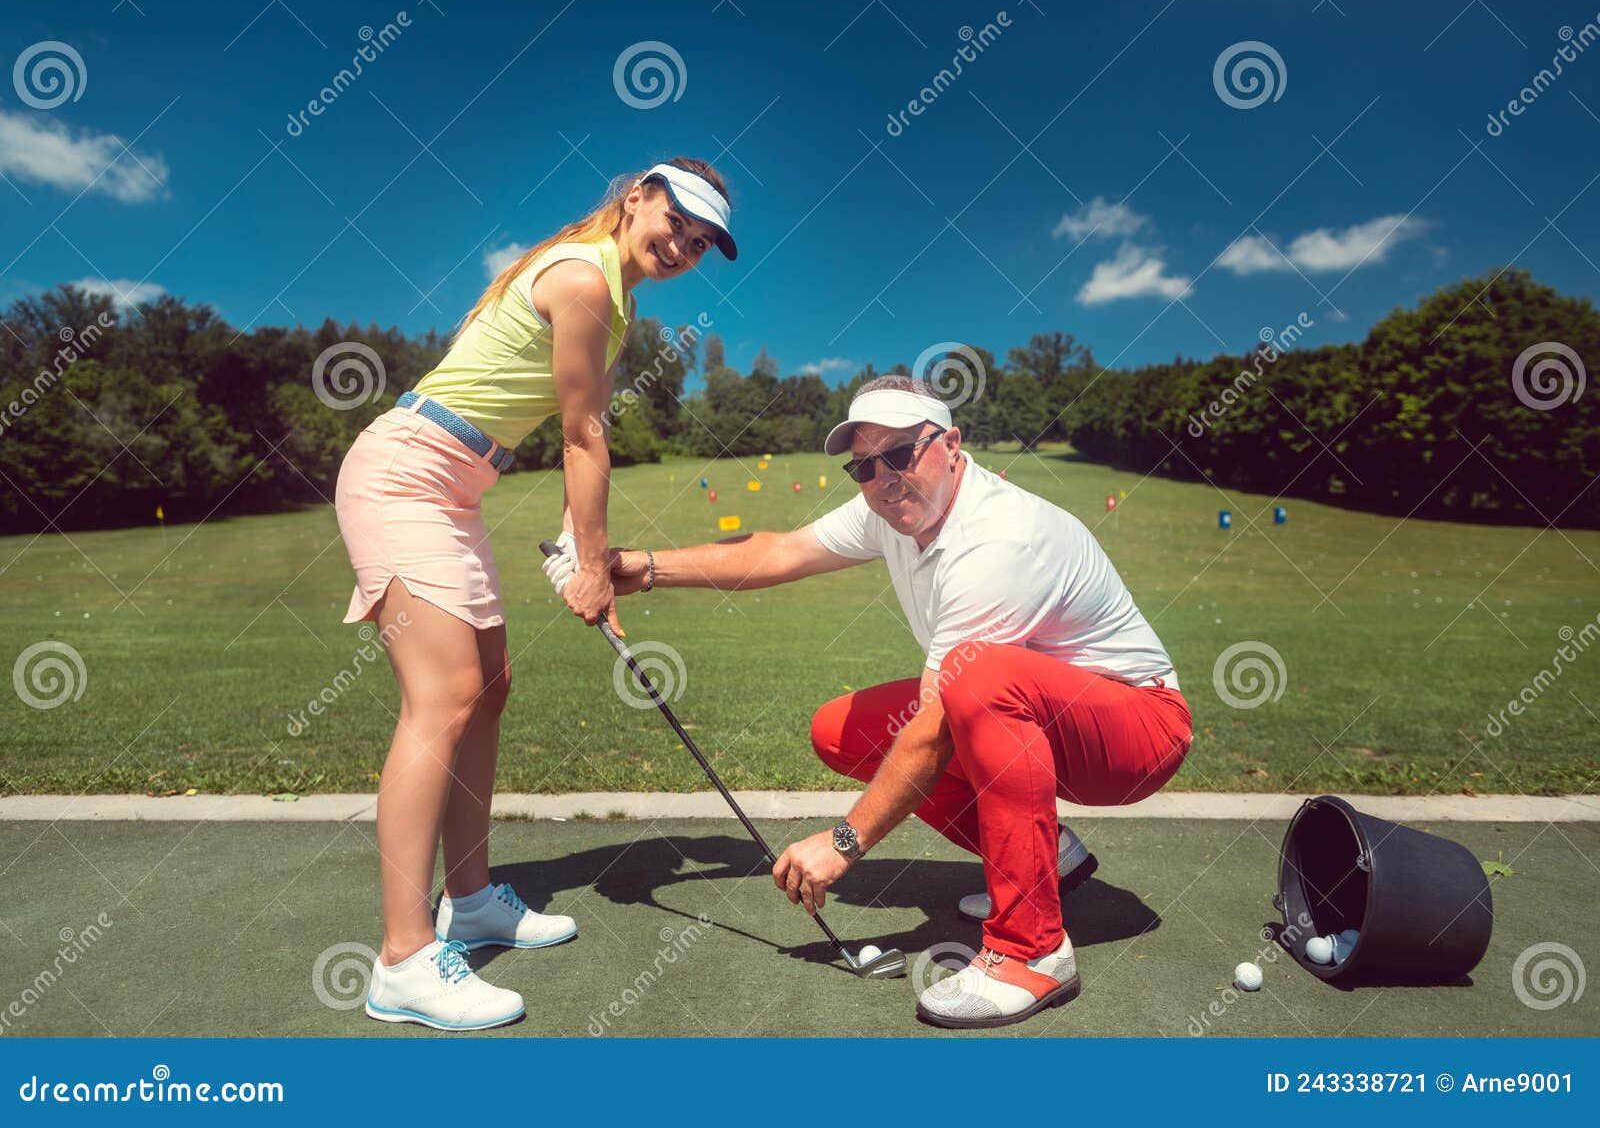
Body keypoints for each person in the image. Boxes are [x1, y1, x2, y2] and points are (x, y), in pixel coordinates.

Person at [546, 375, 1190, 1029]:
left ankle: (1034, 949)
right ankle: (1045, 856)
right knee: (842, 730)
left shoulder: (998, 539)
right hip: (1041, 715)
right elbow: (782, 551)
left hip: (1137, 732)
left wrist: (844, 842)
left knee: (977, 681)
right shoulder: (891, 507)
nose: (883, 478)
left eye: (900, 453)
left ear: (952, 445)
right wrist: (643, 567)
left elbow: (937, 726)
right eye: (864, 465)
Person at [333, 159, 737, 1030]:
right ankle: (402, 959)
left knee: (488, 688)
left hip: (456, 487)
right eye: (677, 222)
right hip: (406, 475)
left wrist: (577, 551)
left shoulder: (612, 299)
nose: (683, 246)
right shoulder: (585, 277)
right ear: (637, 198)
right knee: (442, 697)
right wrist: (590, 564)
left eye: (701, 243)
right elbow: (582, 436)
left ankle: (472, 898)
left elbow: (581, 433)